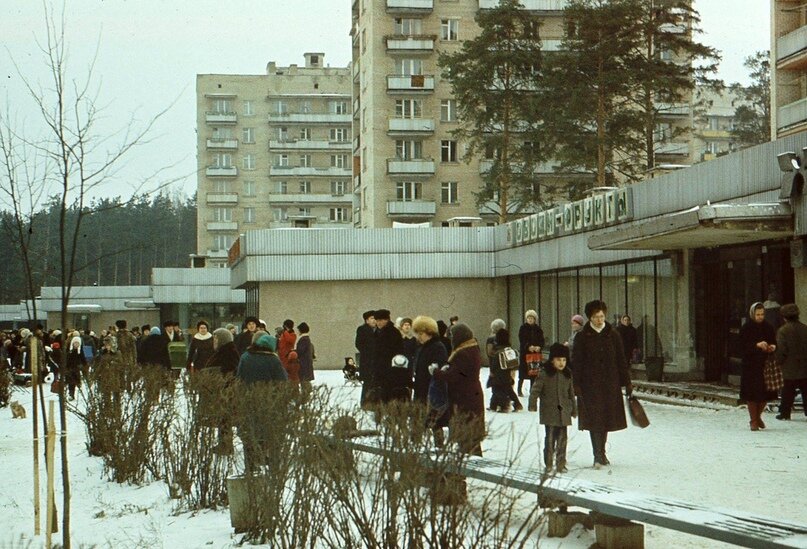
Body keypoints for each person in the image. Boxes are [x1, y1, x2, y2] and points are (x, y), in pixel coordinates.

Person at [572, 300, 632, 468]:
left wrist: (626, 382)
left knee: (606, 418)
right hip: (590, 385)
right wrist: (576, 384)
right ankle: (597, 454)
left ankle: (602, 452)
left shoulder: (613, 335)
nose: (600, 320)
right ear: (590, 318)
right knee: (594, 419)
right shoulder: (582, 337)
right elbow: (577, 362)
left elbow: (621, 359)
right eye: (596, 317)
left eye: (602, 316)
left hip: (609, 383)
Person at [431, 323, 485, 456]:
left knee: (467, 434)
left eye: (451, 336)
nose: (450, 339)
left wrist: (436, 372)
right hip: (472, 394)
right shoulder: (471, 348)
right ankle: (470, 464)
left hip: (465, 397)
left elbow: (456, 376)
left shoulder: (463, 353)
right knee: (471, 434)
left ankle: (467, 468)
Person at [528, 343, 577, 473]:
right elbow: (535, 390)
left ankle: (561, 463)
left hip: (564, 412)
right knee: (550, 439)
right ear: (552, 360)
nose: (561, 363)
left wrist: (574, 409)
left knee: (562, 439)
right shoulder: (545, 374)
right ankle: (549, 463)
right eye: (558, 360)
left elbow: (571, 393)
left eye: (564, 360)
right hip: (549, 411)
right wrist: (532, 404)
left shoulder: (568, 374)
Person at [740, 301, 778, 431]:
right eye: (758, 314)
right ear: (752, 314)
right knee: (752, 394)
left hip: (766, 364)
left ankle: (758, 416)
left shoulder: (768, 327)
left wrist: (772, 346)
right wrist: (756, 345)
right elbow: (741, 347)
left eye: (762, 314)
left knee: (766, 393)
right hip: (750, 366)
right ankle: (753, 420)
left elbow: (773, 341)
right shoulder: (746, 328)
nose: (760, 317)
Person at [775, 303, 807, 420]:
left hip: (789, 366)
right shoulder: (805, 329)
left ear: (784, 317)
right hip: (804, 365)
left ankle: (785, 413)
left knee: (787, 391)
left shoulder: (783, 331)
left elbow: (782, 349)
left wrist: (778, 361)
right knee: (806, 390)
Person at [411, 315, 449, 405]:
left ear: (430, 332)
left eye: (420, 334)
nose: (418, 337)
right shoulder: (421, 347)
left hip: (430, 392)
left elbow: (438, 371)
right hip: (420, 390)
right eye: (417, 333)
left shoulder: (437, 347)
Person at [370, 309, 405, 404]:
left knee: (389, 396)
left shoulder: (393, 333)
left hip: (390, 371)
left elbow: (397, 352)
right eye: (377, 320)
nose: (379, 323)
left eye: (381, 320)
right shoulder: (377, 332)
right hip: (380, 370)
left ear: (387, 320)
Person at [487, 328, 522, 412]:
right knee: (508, 389)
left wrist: (492, 372)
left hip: (498, 375)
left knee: (496, 390)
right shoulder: (508, 350)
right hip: (507, 374)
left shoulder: (498, 352)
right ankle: (516, 404)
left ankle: (504, 405)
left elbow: (494, 365)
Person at [518, 309, 545, 396]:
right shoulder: (523, 328)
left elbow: (542, 340)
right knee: (522, 373)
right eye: (528, 318)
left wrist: (539, 347)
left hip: (535, 354)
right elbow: (522, 340)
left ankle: (532, 389)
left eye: (531, 318)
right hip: (525, 354)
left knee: (533, 373)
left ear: (535, 319)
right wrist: (528, 346)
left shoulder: (538, 329)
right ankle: (519, 389)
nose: (530, 319)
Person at [355, 310, 376, 407]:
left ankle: (374, 402)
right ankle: (365, 403)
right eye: (372, 318)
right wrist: (368, 351)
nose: (374, 320)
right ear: (366, 320)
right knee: (367, 383)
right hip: (367, 361)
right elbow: (358, 344)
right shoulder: (362, 329)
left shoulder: (378, 330)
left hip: (376, 362)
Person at [65, 335, 87, 400]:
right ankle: (71, 394)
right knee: (71, 382)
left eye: (78, 343)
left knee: (76, 382)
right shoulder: (69, 351)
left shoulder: (80, 351)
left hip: (77, 369)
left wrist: (84, 365)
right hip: (70, 369)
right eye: (75, 343)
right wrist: (66, 367)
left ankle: (76, 391)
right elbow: (66, 360)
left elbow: (83, 359)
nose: (76, 344)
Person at [295, 322, 315, 388]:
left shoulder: (303, 339)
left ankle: (305, 396)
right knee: (305, 382)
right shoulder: (307, 339)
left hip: (303, 364)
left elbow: (300, 351)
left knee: (304, 382)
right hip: (307, 364)